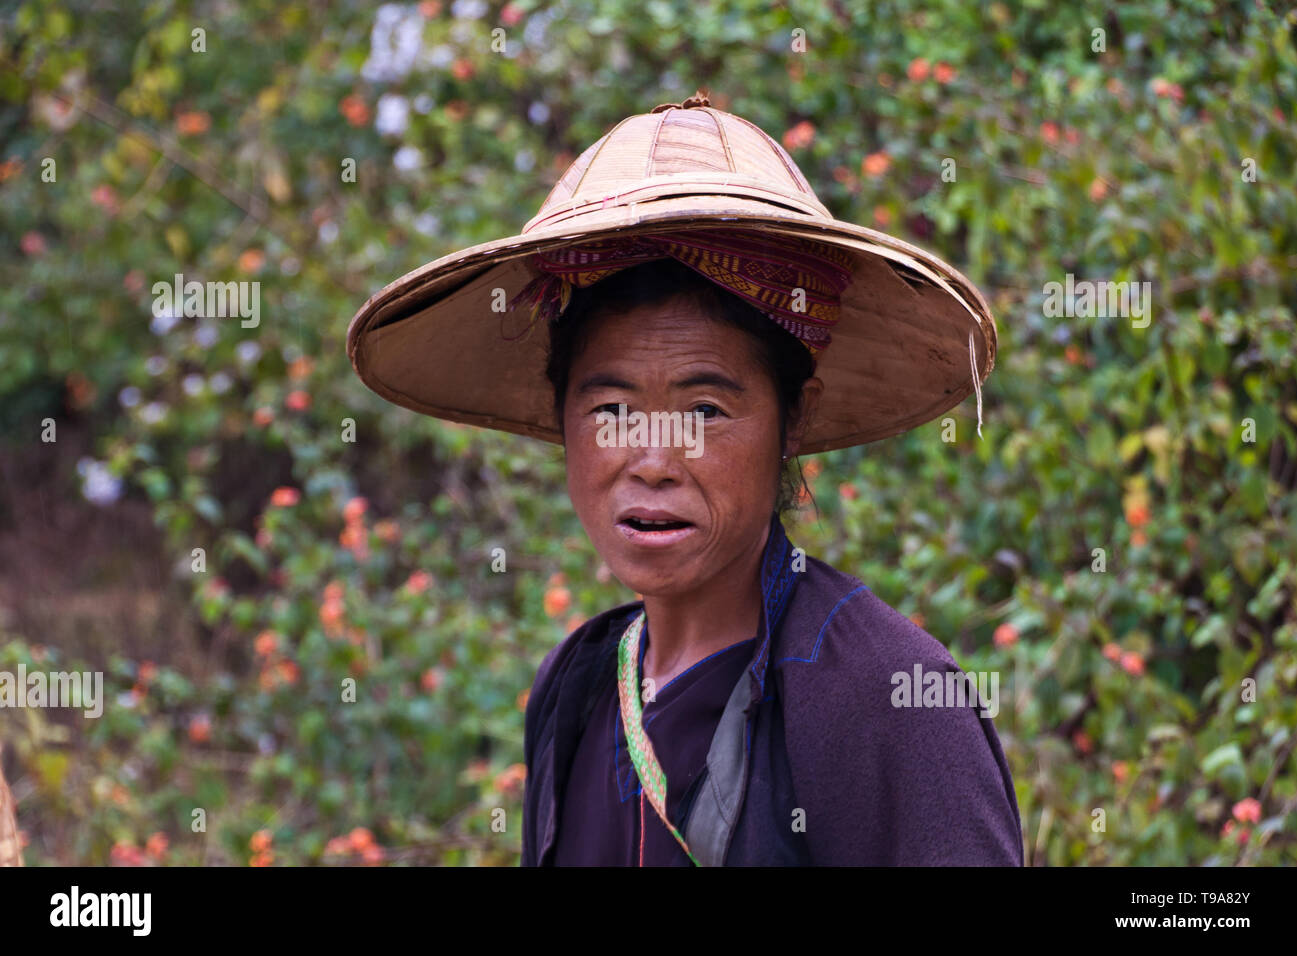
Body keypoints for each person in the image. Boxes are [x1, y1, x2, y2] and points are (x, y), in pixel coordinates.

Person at [349, 91, 1021, 866]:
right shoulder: (577, 688)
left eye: (704, 411)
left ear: (791, 421)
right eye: (611, 410)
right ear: (561, 415)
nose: (653, 459)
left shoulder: (889, 699)